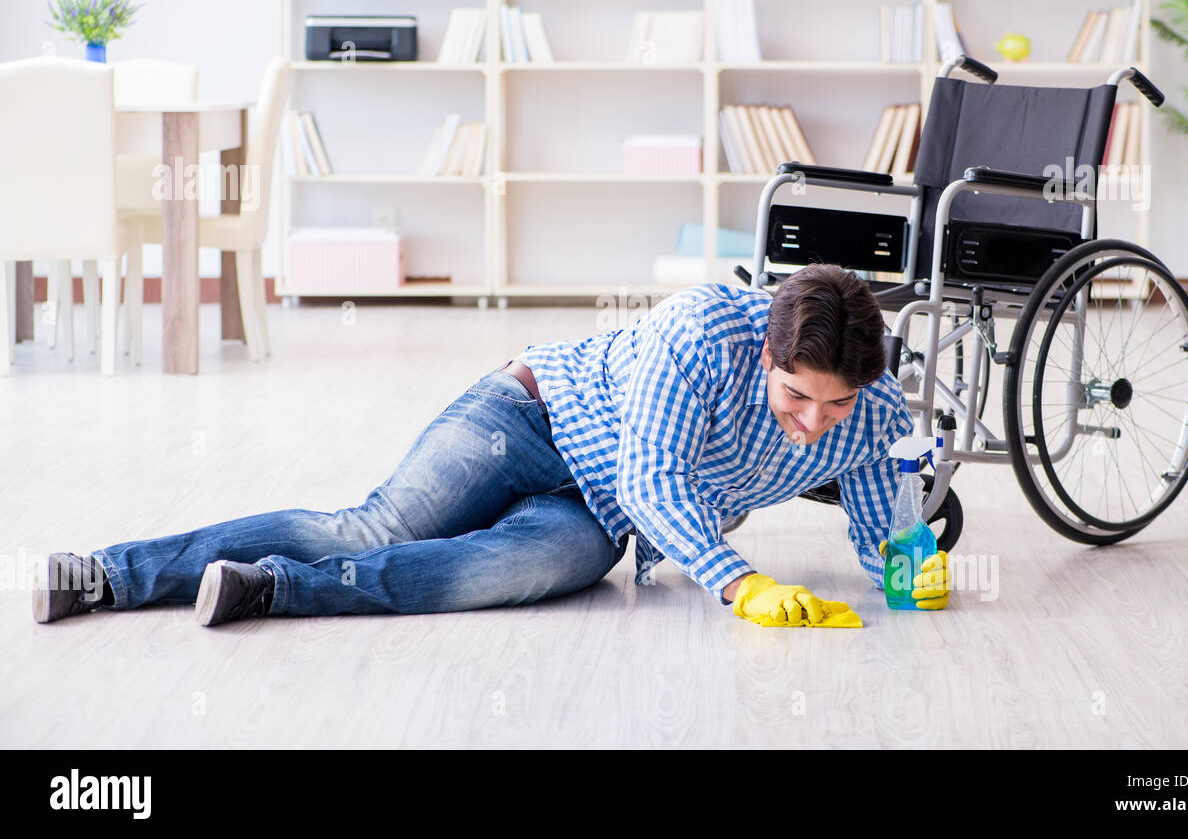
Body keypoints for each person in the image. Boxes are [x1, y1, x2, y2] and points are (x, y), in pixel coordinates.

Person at [33, 263, 951, 628]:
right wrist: (741, 581)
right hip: (532, 416)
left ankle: (270, 588)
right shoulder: (703, 327)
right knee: (374, 527)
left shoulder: (866, 412)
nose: (811, 421)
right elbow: (655, 475)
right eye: (797, 395)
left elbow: (881, 530)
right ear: (766, 349)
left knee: (481, 576)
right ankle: (109, 573)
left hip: (596, 511)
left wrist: (911, 569)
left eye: (833, 406)